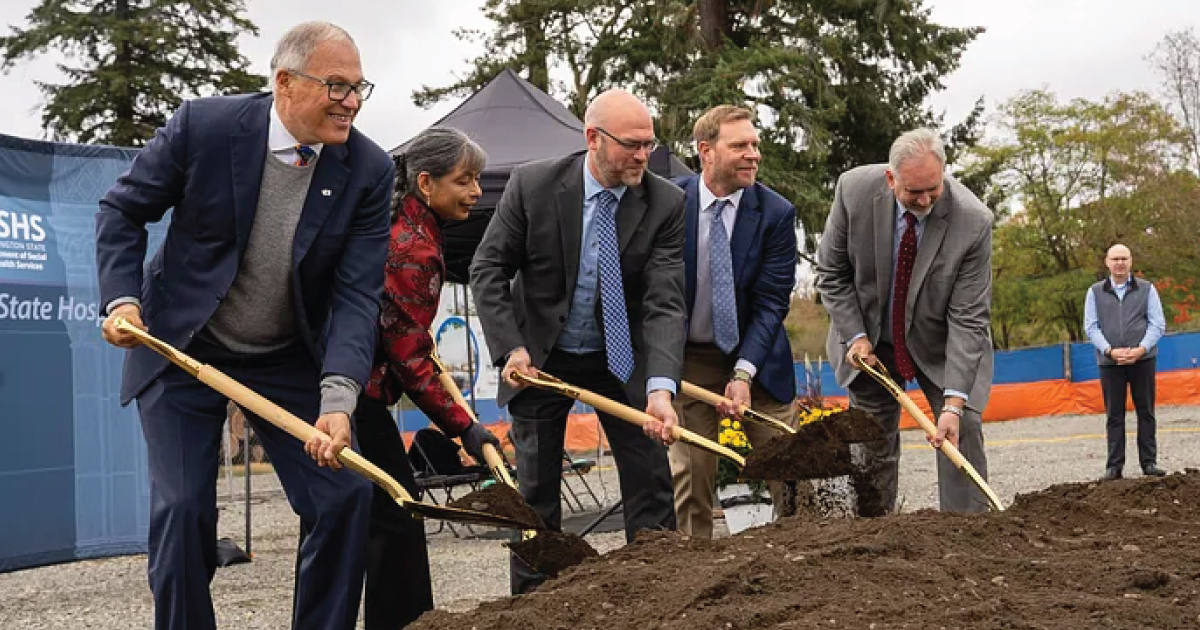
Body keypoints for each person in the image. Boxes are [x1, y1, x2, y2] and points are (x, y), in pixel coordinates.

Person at [96, 22, 392, 630]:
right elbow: (122, 209)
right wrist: (123, 300)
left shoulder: (367, 169)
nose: (352, 101)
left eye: (360, 87)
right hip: (184, 347)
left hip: (284, 359)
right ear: (284, 82)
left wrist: (337, 400)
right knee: (182, 511)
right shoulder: (203, 128)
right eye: (336, 85)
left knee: (345, 497)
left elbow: (357, 295)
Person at [470, 88, 685, 594]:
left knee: (652, 483)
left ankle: (657, 595)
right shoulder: (534, 185)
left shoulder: (666, 201)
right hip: (543, 359)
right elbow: (488, 268)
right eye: (631, 144)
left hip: (622, 360)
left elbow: (664, 301)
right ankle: (535, 605)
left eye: (649, 144)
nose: (642, 156)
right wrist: (511, 348)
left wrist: (660, 389)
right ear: (592, 138)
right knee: (537, 492)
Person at [356, 127, 501, 628]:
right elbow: (406, 354)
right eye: (464, 180)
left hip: (355, 389)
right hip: (359, 396)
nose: (476, 191)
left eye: (479, 179)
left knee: (374, 518)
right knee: (397, 515)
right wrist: (464, 426)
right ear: (425, 182)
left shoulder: (403, 227)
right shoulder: (412, 246)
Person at [815, 128, 993, 517]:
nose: (926, 200)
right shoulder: (853, 192)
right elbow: (831, 272)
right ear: (891, 179)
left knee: (962, 431)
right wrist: (856, 337)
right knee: (871, 439)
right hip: (871, 339)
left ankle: (968, 531)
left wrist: (954, 404)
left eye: (934, 188)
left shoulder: (973, 221)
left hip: (940, 341)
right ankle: (875, 531)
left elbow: (969, 317)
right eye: (915, 192)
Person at [668, 105, 797, 538]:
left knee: (791, 469)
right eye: (739, 145)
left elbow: (771, 304)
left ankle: (803, 562)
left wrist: (744, 372)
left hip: (758, 359)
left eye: (755, 145)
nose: (753, 154)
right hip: (693, 360)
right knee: (691, 471)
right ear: (706, 151)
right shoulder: (669, 203)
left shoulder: (776, 214)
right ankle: (693, 568)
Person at [1085, 244, 1167, 481]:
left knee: (1146, 411)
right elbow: (1091, 326)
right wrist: (1110, 351)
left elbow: (1157, 323)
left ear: (1131, 261)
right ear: (1107, 263)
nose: (1119, 263)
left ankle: (1149, 462)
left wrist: (1141, 349)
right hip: (1110, 363)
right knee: (1114, 414)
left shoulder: (1147, 289)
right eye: (1115, 259)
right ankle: (1114, 467)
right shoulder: (1095, 292)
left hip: (1143, 360)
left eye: (1124, 258)